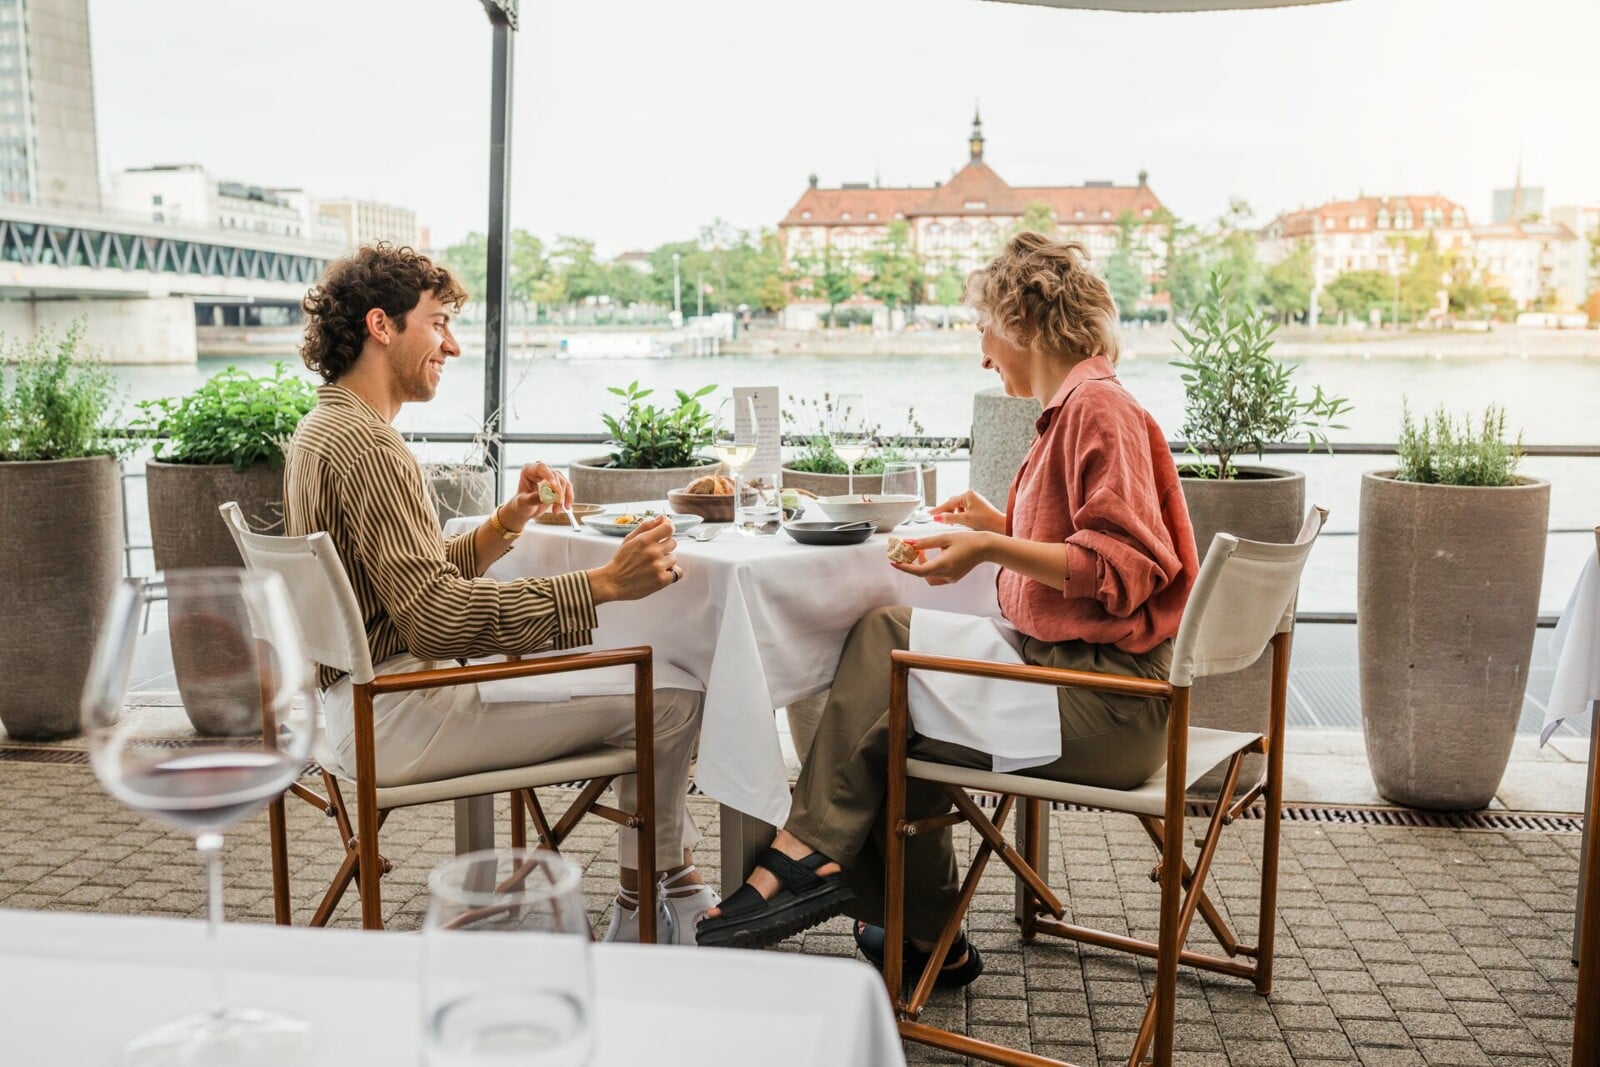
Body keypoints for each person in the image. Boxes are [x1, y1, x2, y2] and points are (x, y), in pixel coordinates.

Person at [696, 232, 1198, 985]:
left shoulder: (1098, 408)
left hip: (1113, 704)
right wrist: (1004, 524)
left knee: (893, 679)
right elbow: (1088, 547)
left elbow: (1123, 568)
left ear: (1023, 322)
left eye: (984, 329)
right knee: (892, 664)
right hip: (1084, 679)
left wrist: (992, 548)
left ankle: (809, 863)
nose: (984, 354)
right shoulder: (1078, 407)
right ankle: (925, 937)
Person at [284, 243, 716, 943]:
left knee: (637, 679)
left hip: (353, 707)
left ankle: (659, 894)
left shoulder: (323, 429)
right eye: (439, 323)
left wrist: (506, 522)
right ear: (381, 325)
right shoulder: (371, 447)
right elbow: (434, 620)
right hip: (399, 714)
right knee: (672, 696)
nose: (452, 346)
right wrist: (603, 584)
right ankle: (655, 903)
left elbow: (405, 584)